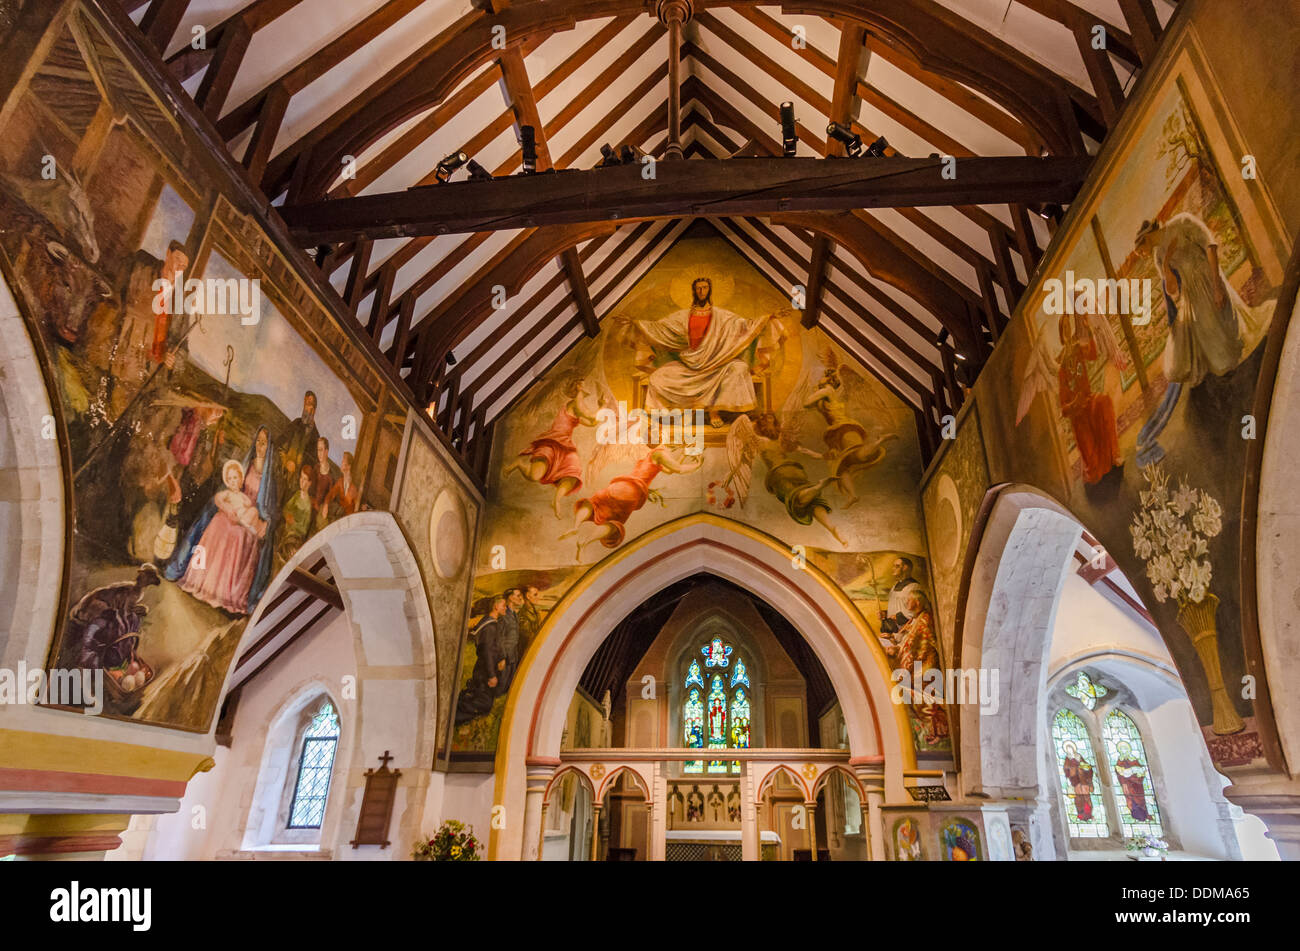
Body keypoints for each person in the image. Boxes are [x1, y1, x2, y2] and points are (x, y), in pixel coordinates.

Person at [620, 277, 777, 422]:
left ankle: (713, 411)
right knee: (658, 377)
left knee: (739, 368)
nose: (702, 291)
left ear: (710, 290)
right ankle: (688, 409)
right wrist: (635, 323)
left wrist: (769, 318)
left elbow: (745, 326)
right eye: (698, 288)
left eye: (705, 288)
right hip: (690, 365)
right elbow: (659, 328)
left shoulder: (722, 316)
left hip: (718, 363)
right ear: (693, 291)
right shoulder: (682, 316)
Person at [166, 426, 279, 615]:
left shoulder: (269, 478)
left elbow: (267, 508)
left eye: (264, 442)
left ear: (269, 446)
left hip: (249, 520)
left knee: (242, 536)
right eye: (258, 441)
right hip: (232, 512)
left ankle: (228, 594)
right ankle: (202, 582)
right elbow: (227, 491)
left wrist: (259, 520)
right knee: (218, 525)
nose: (260, 446)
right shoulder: (246, 465)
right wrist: (229, 509)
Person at [107, 240, 192, 421]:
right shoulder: (140, 271)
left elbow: (183, 348)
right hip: (124, 357)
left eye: (183, 266)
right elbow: (116, 302)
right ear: (168, 254)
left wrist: (174, 361)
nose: (178, 267)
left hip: (151, 374)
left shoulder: (180, 306)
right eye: (177, 260)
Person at [503, 376, 598, 516]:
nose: (585, 388)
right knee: (534, 476)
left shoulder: (577, 408)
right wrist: (602, 409)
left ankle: (557, 500)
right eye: (583, 385)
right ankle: (518, 464)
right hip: (552, 442)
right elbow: (588, 414)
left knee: (573, 472)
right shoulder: (574, 404)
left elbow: (591, 422)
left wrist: (600, 410)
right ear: (578, 387)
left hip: (565, 446)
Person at [1057, 311, 1120, 484]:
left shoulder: (1078, 349)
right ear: (1061, 335)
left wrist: (1087, 328)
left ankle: (1114, 455)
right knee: (1094, 470)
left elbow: (1092, 354)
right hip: (1078, 414)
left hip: (1088, 401)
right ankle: (1096, 468)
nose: (1068, 330)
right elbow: (1063, 407)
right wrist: (1074, 404)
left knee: (1104, 402)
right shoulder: (1061, 366)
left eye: (1070, 326)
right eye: (1065, 328)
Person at [454, 596, 510, 724]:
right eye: (503, 605)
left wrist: (501, 658)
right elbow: (488, 652)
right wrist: (491, 675)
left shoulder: (490, 622)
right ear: (496, 607)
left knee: (480, 697)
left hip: (486, 667)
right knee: (483, 701)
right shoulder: (490, 627)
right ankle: (457, 717)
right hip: (485, 669)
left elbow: (495, 646)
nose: (505, 608)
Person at [278, 464, 317, 565]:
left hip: (295, 536)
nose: (301, 481)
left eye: (305, 479)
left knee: (291, 550)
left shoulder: (308, 505)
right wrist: (287, 515)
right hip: (286, 529)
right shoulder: (297, 495)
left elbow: (304, 530)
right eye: (301, 477)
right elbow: (286, 508)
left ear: (309, 483)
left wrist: (293, 522)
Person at [281, 391, 320, 485]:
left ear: (314, 410)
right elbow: (279, 445)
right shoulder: (295, 424)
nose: (306, 408)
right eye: (305, 403)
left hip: (298, 486)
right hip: (282, 477)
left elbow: (313, 468)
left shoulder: (316, 437)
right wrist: (285, 461)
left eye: (309, 404)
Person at [879, 557, 922, 635]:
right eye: (893, 566)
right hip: (894, 631)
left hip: (906, 630)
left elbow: (915, 611)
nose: (893, 569)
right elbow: (896, 606)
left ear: (905, 568)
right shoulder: (895, 586)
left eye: (897, 566)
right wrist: (885, 613)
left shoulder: (914, 586)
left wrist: (897, 617)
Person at [320, 450, 361, 527]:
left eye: (343, 462)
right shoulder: (340, 481)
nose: (341, 463)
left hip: (347, 522)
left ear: (348, 466)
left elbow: (356, 509)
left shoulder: (354, 488)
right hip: (338, 518)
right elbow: (331, 494)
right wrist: (326, 504)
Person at [1113, 740, 1151, 821]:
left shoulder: (1133, 759)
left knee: (1140, 799)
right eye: (1122, 749)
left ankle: (1144, 815)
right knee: (1131, 799)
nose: (1124, 751)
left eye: (1125, 749)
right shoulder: (1120, 761)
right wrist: (1123, 780)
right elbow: (1119, 772)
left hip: (1137, 784)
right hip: (1127, 784)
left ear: (1129, 749)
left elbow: (1141, 769)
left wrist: (1139, 772)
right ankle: (1135, 815)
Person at [1061, 741, 1096, 821]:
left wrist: (1084, 768)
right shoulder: (1067, 758)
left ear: (1073, 749)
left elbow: (1087, 766)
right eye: (1068, 749)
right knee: (1078, 798)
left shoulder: (1078, 756)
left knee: (1086, 796)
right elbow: (1066, 769)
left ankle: (1089, 814)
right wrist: (1072, 769)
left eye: (1070, 748)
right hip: (1075, 781)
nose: (1069, 750)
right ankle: (1081, 814)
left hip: (1083, 779)